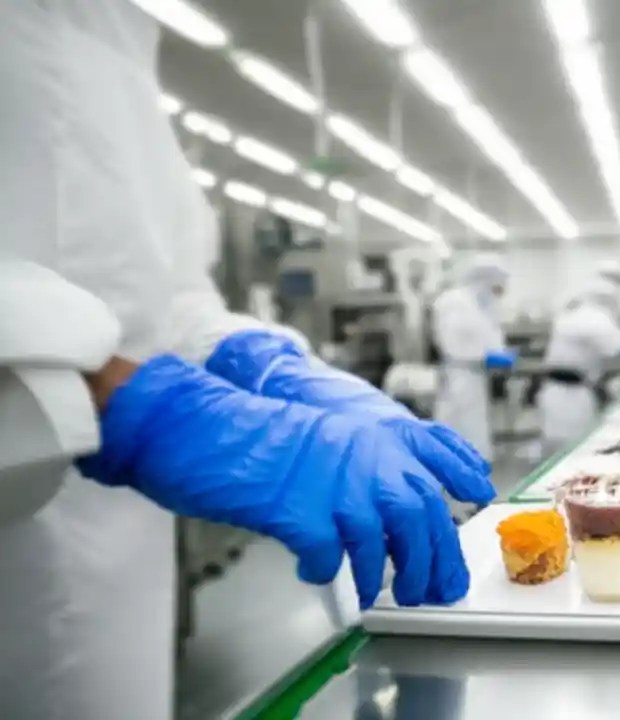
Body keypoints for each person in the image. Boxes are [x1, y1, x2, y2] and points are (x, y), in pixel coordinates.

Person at [0, 3, 494, 717]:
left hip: (124, 544)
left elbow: (161, 294)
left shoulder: (112, 33)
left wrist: (258, 362)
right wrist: (137, 408)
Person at [538, 278, 620, 453]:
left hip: (559, 390)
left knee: (560, 447)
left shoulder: (575, 315)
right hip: (571, 395)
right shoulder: (595, 319)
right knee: (570, 450)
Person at [431, 254, 516, 460]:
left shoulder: (479, 303)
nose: (500, 292)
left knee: (473, 423)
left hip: (474, 374)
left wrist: (498, 353)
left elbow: (488, 333)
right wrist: (486, 357)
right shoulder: (454, 301)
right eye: (497, 287)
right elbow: (454, 343)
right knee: (461, 422)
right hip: (460, 374)